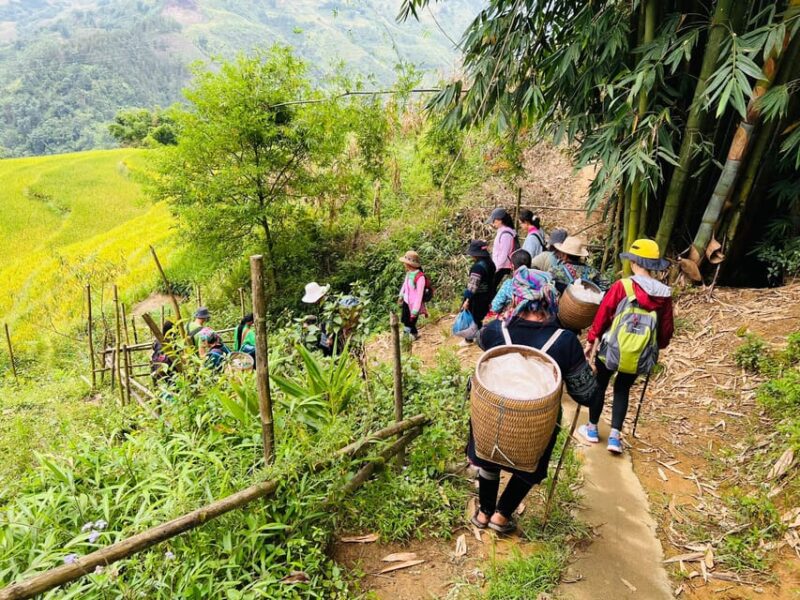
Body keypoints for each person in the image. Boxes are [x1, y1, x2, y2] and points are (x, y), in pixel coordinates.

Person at [468, 267, 597, 534]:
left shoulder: (495, 331)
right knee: (531, 460)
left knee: (488, 454)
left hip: (494, 412)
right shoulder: (565, 342)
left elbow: (480, 341)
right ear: (550, 299)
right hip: (536, 420)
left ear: (516, 298)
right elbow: (585, 394)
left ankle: (483, 512)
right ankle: (502, 515)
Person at [579, 239, 674, 454]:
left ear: (634, 262)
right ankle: (615, 437)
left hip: (612, 347)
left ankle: (592, 429)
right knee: (623, 388)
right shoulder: (664, 293)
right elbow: (666, 328)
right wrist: (658, 346)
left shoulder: (622, 286)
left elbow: (603, 315)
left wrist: (592, 339)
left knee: (600, 384)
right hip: (640, 353)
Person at [461, 240, 497, 340]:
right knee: (478, 317)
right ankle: (480, 335)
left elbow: (473, 285)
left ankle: (469, 339)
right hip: (488, 295)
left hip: (477, 297)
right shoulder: (491, 263)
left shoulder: (477, 267)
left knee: (472, 317)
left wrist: (467, 300)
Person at [490, 248, 532, 319]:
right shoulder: (537, 283)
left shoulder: (509, 284)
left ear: (512, 266)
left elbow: (495, 307)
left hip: (513, 321)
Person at [398, 250, 428, 340]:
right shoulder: (409, 273)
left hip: (414, 304)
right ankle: (414, 333)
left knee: (410, 321)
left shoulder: (420, 277)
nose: (404, 264)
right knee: (405, 319)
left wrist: (415, 310)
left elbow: (419, 295)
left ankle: (405, 337)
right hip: (407, 301)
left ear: (409, 264)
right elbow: (405, 285)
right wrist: (401, 296)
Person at [486, 207, 518, 290]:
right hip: (499, 266)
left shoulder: (506, 234)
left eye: (494, 221)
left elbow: (504, 254)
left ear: (500, 220)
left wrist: (496, 268)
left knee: (491, 289)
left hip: (502, 267)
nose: (493, 223)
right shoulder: (502, 231)